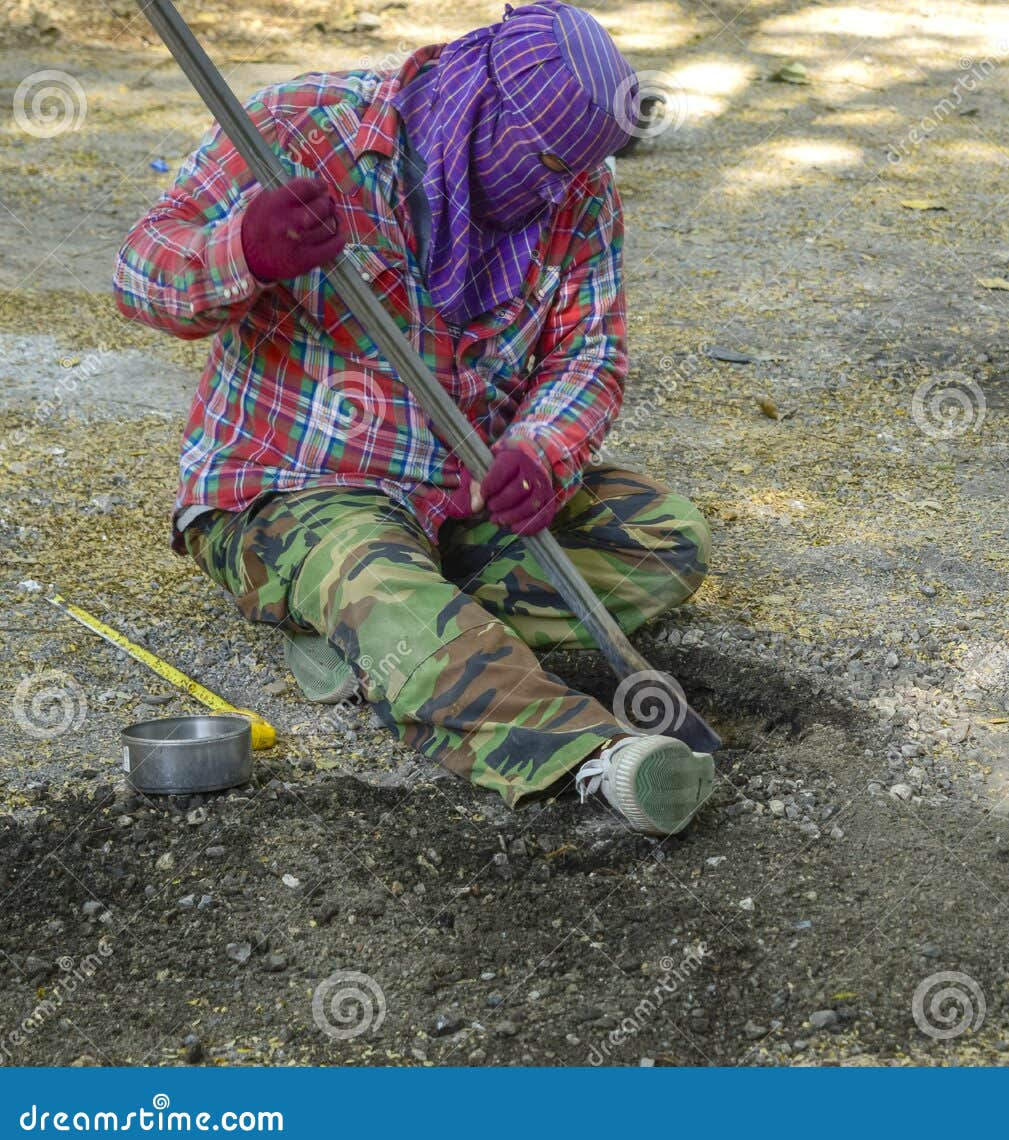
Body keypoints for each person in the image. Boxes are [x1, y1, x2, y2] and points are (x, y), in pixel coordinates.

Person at [112, 2, 713, 836]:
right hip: (294, 492)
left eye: (575, 170)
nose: (554, 191)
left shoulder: (577, 184)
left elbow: (590, 355)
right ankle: (595, 758)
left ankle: (381, 639)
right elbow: (139, 269)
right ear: (482, 105)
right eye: (541, 162)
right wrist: (243, 251)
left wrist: (542, 450)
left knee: (663, 537)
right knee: (374, 575)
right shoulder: (307, 127)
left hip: (452, 497)